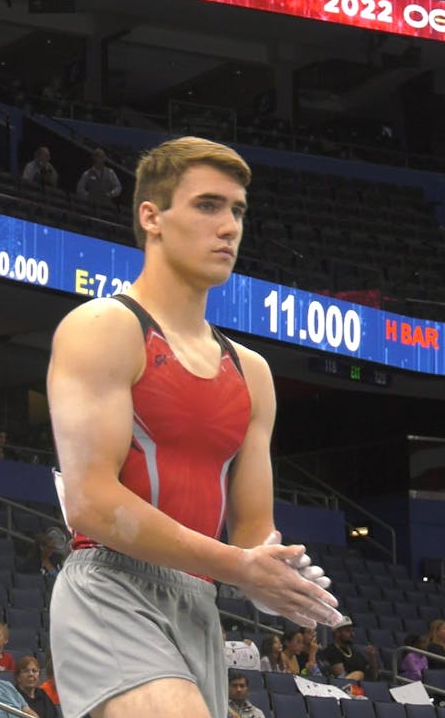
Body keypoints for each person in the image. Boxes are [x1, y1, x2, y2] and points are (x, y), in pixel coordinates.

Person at [46, 136, 340, 718]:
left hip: (198, 602)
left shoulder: (251, 372)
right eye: (208, 205)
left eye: (237, 211)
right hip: (110, 586)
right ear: (151, 218)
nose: (229, 226)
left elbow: (254, 533)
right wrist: (240, 567)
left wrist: (278, 576)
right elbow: (92, 504)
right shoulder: (105, 326)